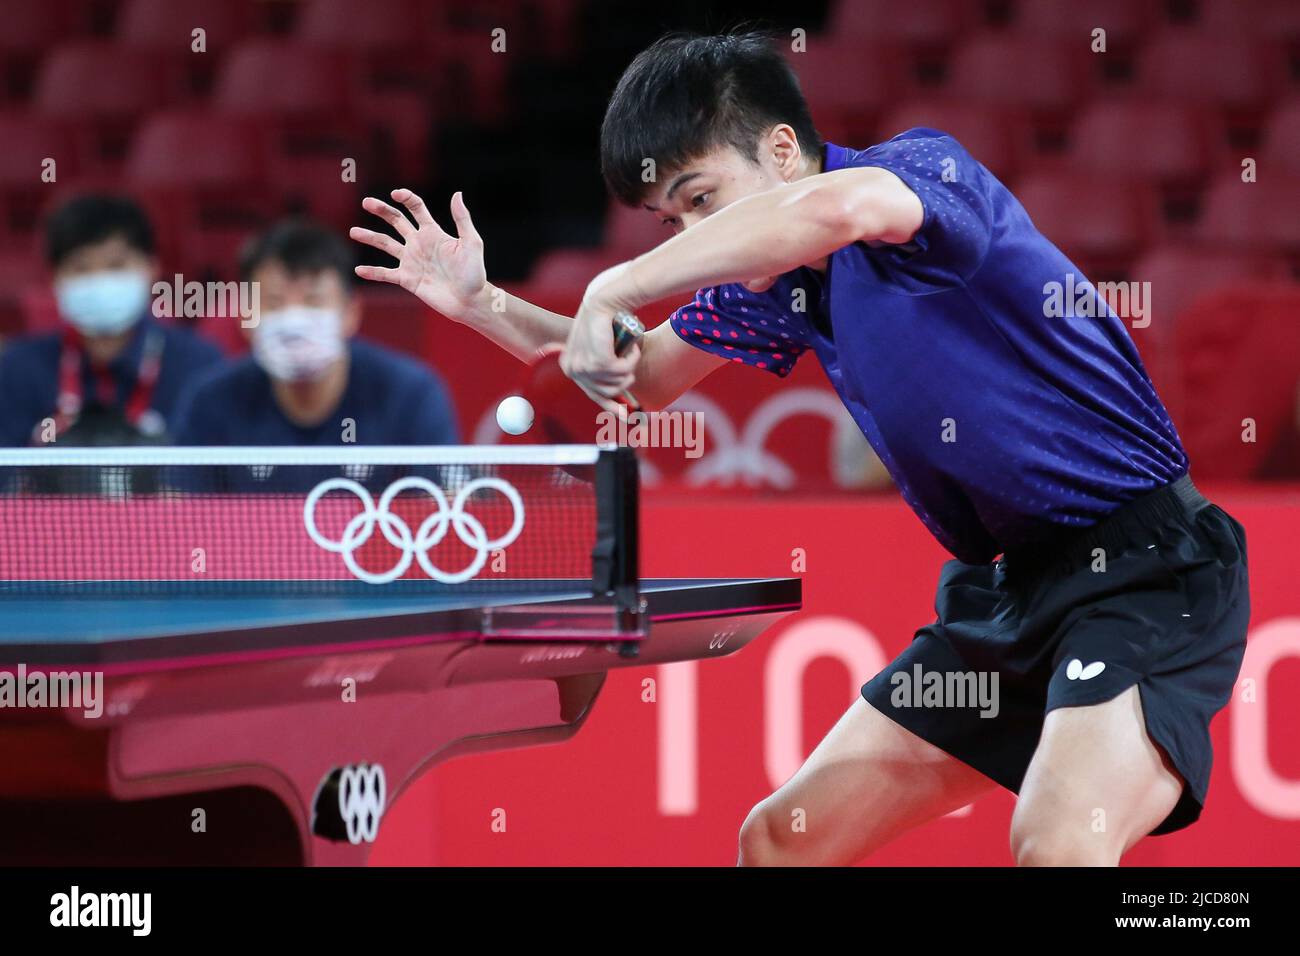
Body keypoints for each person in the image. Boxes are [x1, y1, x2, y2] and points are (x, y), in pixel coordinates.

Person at [350, 32, 1250, 866]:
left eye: (700, 201)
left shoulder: (921, 179)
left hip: (1148, 571)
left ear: (782, 152)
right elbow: (644, 376)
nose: (692, 239)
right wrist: (484, 307)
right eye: (668, 223)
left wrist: (617, 280)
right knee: (783, 840)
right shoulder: (772, 286)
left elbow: (838, 207)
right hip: (1012, 595)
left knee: (1059, 843)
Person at [172, 219, 459, 451]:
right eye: (274, 302)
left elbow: (449, 503)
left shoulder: (411, 394)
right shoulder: (209, 401)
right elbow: (178, 511)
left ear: (351, 311)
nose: (294, 320)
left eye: (313, 300)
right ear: (245, 314)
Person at [0, 194, 223, 446]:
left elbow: (214, 478)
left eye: (116, 266)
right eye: (81, 268)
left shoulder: (200, 366)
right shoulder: (17, 369)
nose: (99, 281)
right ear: (54, 279)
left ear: (151, 268)